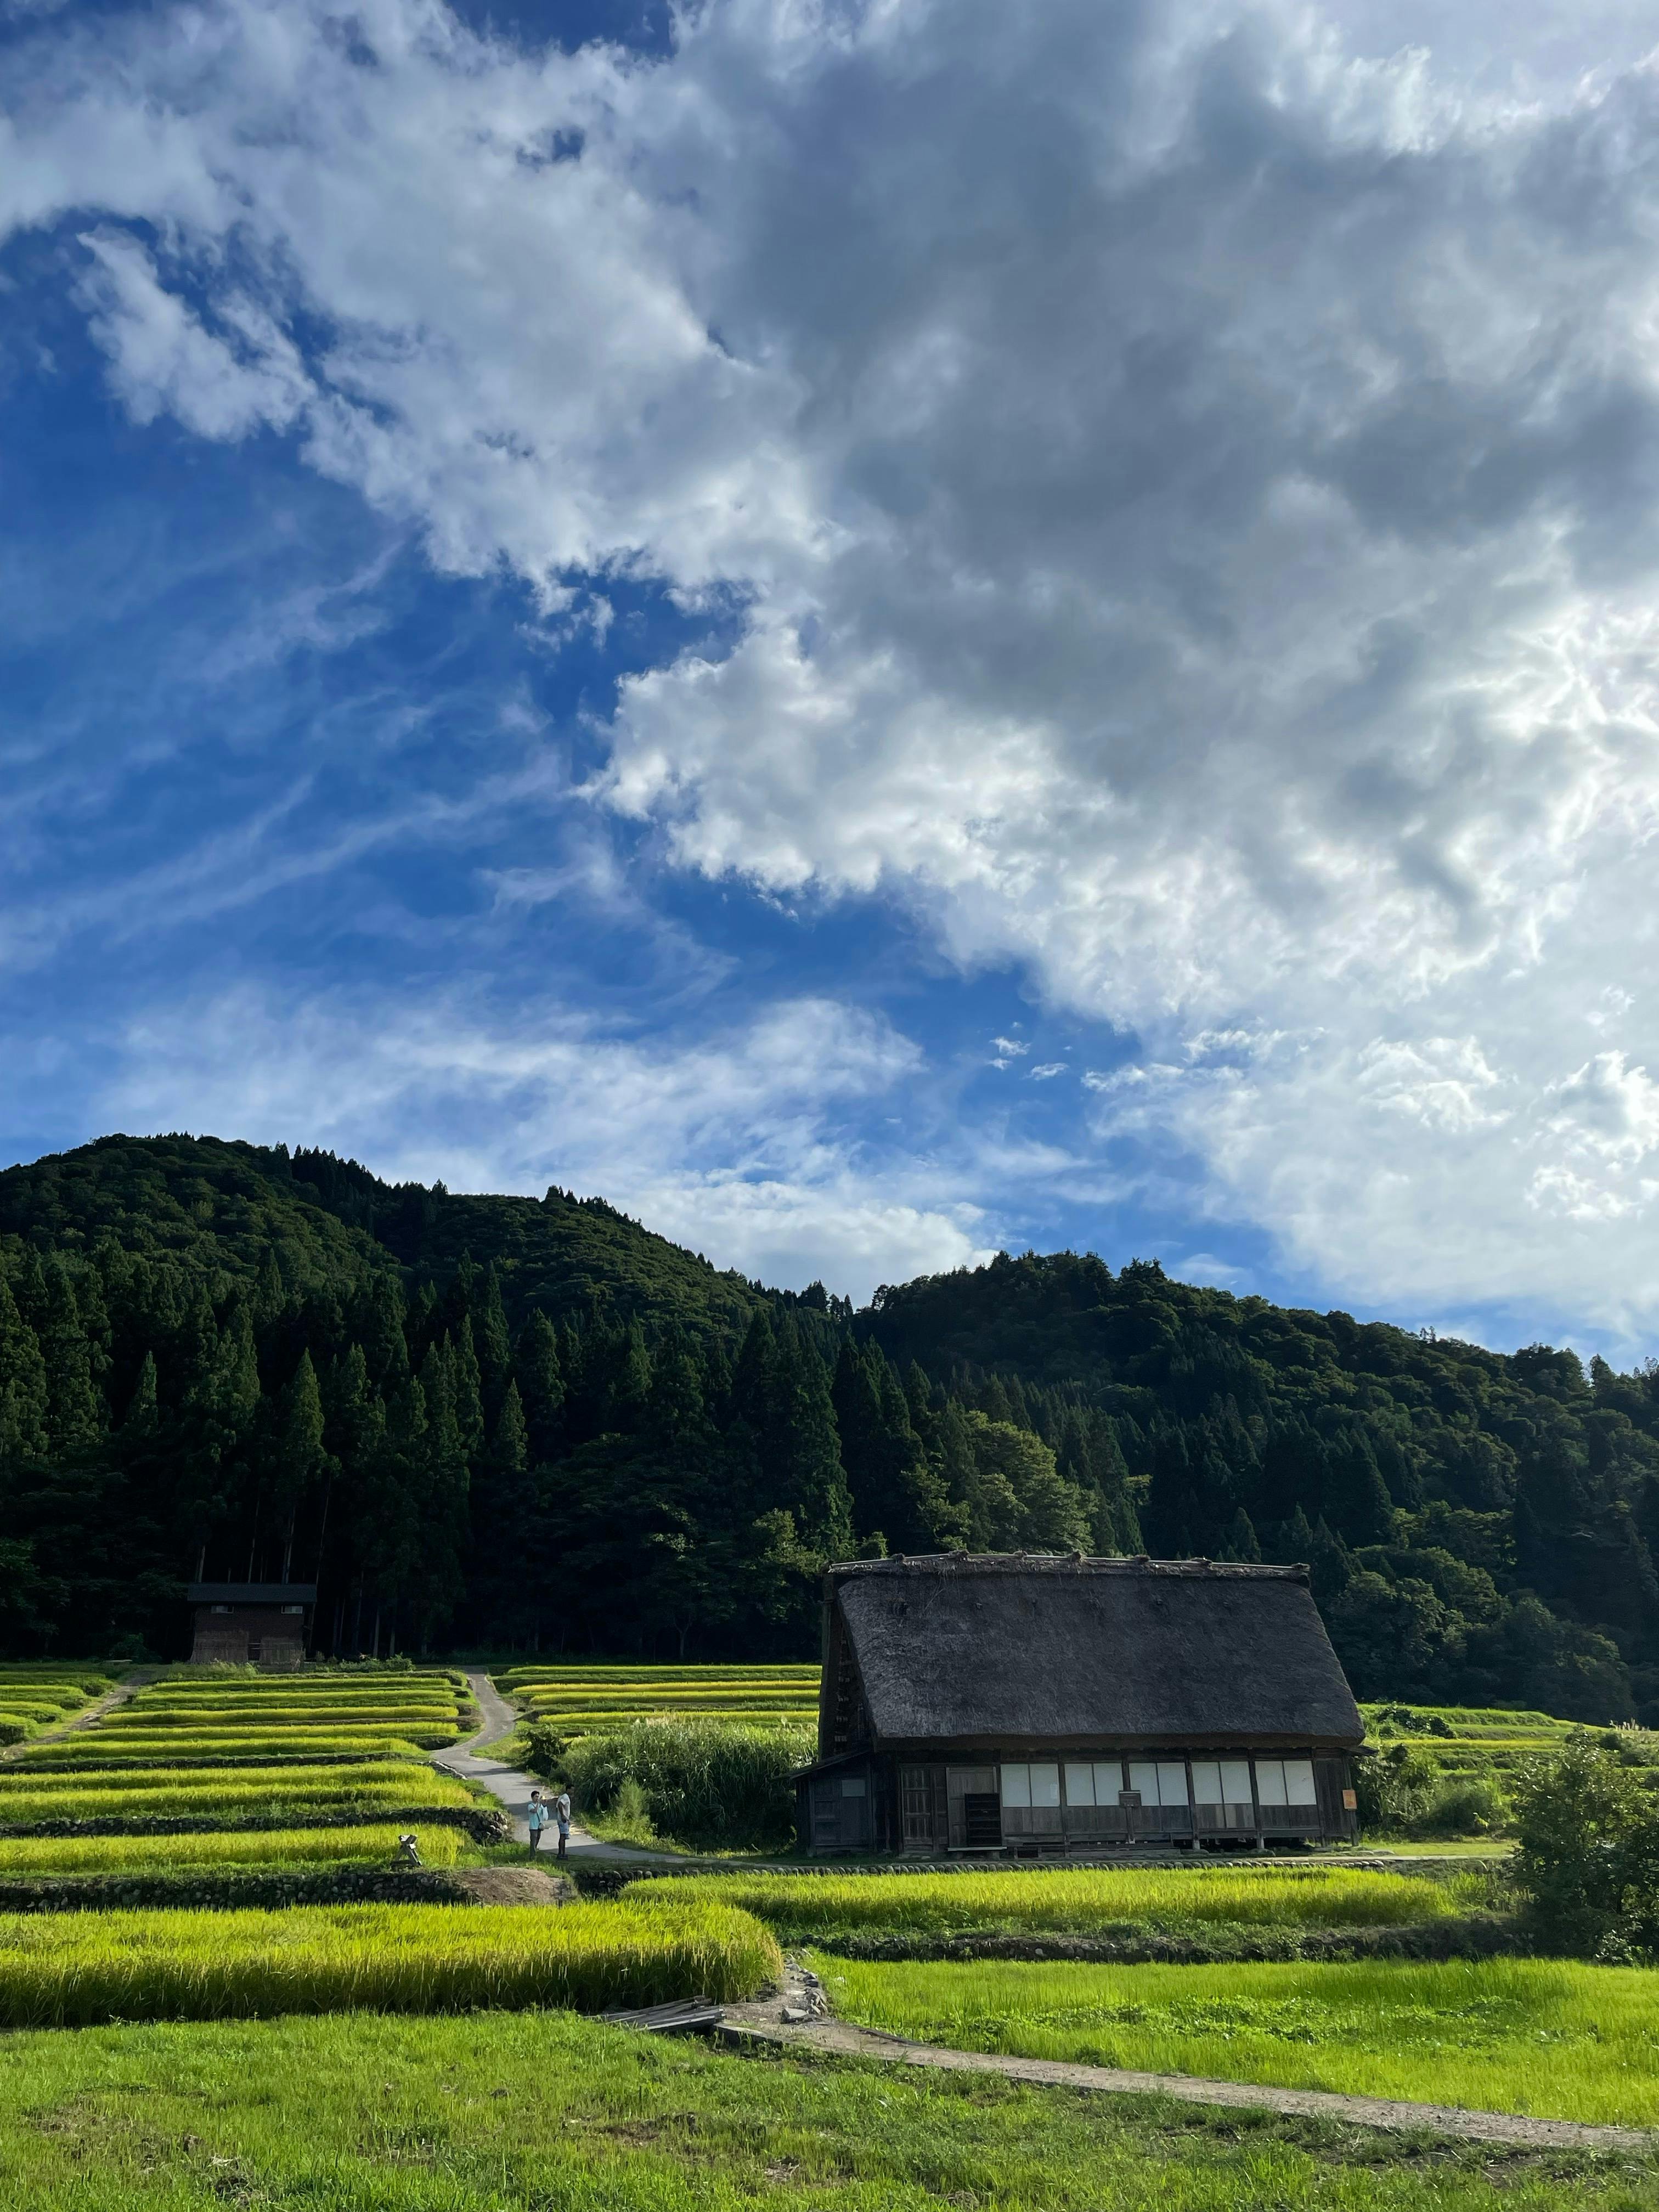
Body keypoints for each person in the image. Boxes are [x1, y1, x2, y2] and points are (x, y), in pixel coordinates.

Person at [554, 1786, 572, 1862]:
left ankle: (563, 1853)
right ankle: (560, 1854)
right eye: (572, 1790)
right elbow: (560, 1805)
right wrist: (564, 1816)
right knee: (563, 1836)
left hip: (562, 1819)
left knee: (563, 1837)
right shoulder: (566, 1797)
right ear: (568, 1790)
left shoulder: (563, 1796)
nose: (573, 1791)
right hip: (563, 1820)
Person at [526, 1788, 545, 1854]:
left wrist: (544, 1805)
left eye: (538, 1797)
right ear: (532, 1797)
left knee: (538, 1839)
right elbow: (534, 1811)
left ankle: (535, 1852)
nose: (537, 1798)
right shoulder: (530, 1806)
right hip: (533, 1827)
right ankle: (532, 1856)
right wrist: (538, 1804)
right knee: (533, 1842)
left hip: (539, 1827)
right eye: (536, 1797)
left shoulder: (540, 1806)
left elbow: (544, 1814)